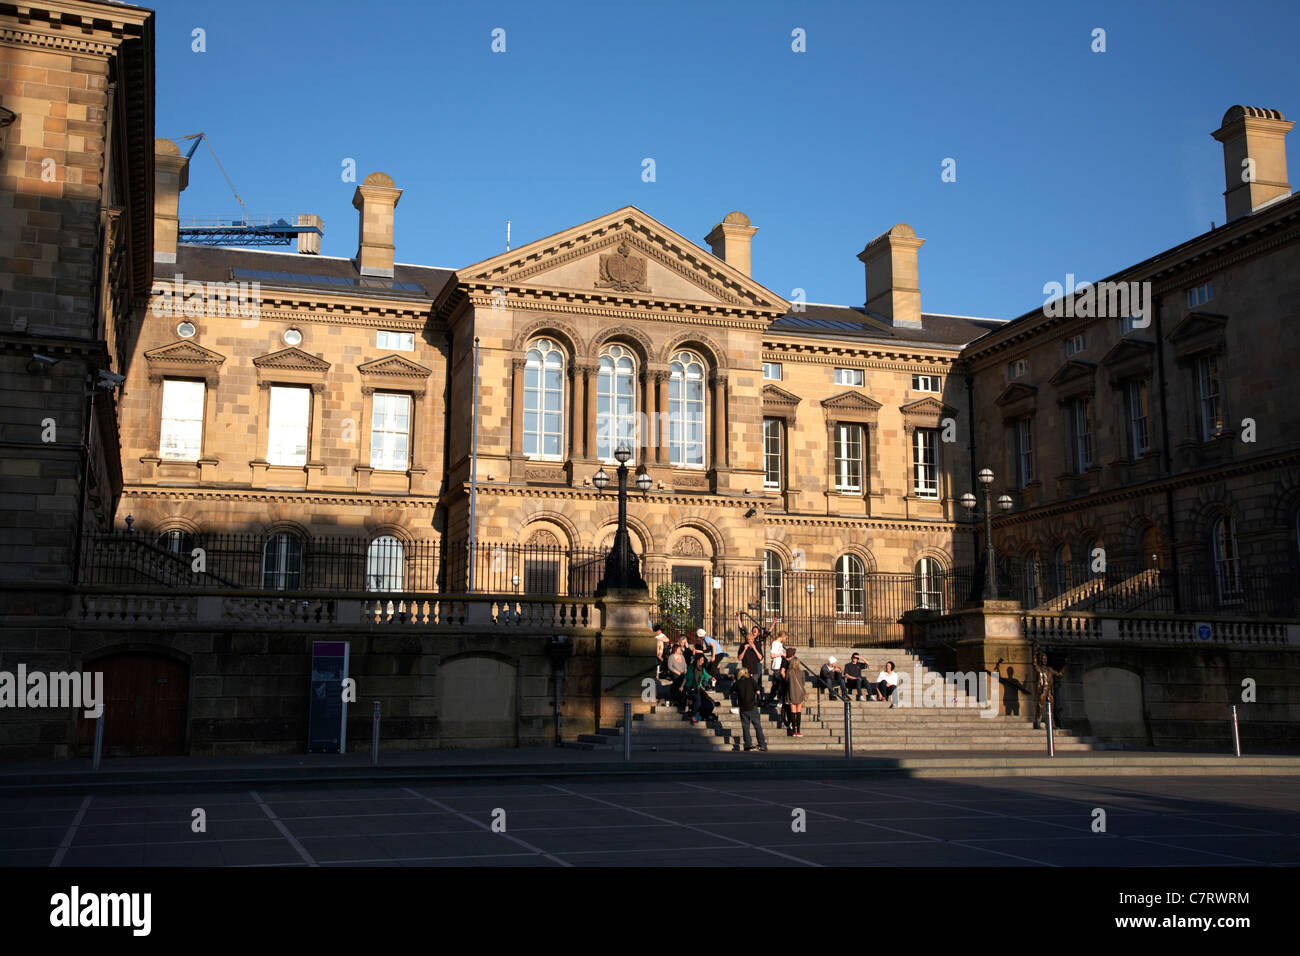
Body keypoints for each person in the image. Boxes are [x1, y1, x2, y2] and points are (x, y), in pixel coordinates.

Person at [732, 667, 768, 752]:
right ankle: (762, 744)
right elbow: (758, 691)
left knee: (745, 726)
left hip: (743, 707)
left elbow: (731, 691)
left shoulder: (738, 682)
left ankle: (747, 744)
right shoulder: (751, 681)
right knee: (757, 725)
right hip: (752, 705)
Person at [684, 654, 715, 723]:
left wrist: (712, 678)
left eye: (703, 660)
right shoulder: (691, 667)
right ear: (697, 660)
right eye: (701, 660)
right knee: (696, 701)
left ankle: (692, 714)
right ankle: (692, 715)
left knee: (698, 702)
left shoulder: (702, 669)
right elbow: (686, 678)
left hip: (696, 688)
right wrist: (682, 686)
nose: (702, 662)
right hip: (689, 687)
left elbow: (707, 676)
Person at [783, 647, 806, 736]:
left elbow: (787, 680)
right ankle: (798, 730)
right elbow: (803, 683)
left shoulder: (789, 672)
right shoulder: (802, 672)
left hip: (791, 692)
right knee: (798, 712)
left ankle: (794, 730)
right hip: (799, 693)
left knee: (793, 711)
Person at [738, 632, 764, 699]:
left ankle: (754, 702)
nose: (750, 641)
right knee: (745, 687)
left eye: (752, 640)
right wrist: (744, 649)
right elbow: (739, 658)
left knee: (754, 687)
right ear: (746, 640)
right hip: (745, 671)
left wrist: (755, 649)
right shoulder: (742, 646)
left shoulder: (757, 645)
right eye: (749, 640)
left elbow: (760, 658)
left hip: (754, 670)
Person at [768, 630, 787, 707]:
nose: (785, 639)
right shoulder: (775, 643)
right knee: (778, 684)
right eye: (785, 637)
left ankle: (772, 699)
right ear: (782, 636)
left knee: (777, 684)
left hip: (779, 666)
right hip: (777, 666)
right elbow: (772, 655)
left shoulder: (780, 644)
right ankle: (778, 699)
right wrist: (781, 654)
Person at [665, 641, 688, 705]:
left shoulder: (682, 656)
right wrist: (677, 672)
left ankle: (682, 698)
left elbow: (685, 664)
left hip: (683, 673)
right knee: (677, 682)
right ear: (675, 650)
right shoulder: (671, 657)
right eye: (679, 649)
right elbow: (670, 667)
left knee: (684, 681)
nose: (680, 650)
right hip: (675, 673)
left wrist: (685, 669)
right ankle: (675, 698)